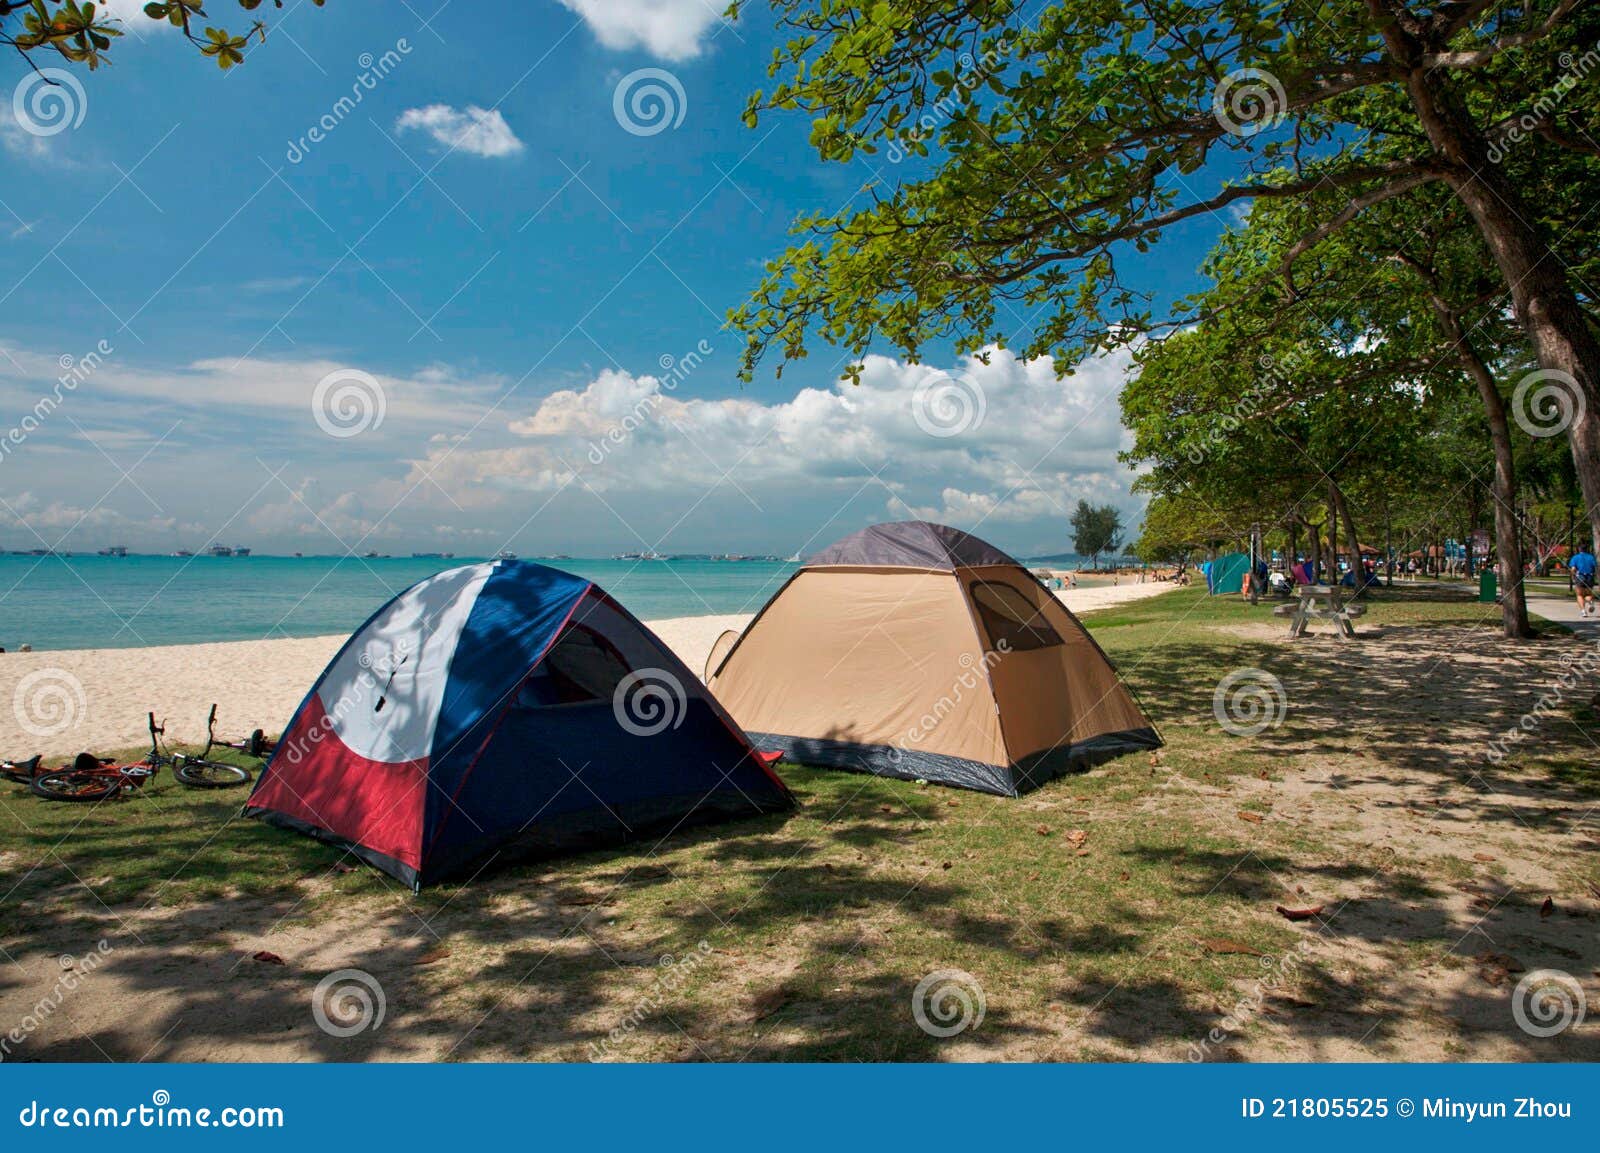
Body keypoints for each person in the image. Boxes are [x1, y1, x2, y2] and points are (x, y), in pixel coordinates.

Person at [1572, 543, 1597, 617]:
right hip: (1590, 577)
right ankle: (1590, 602)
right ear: (1587, 549)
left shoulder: (1575, 557)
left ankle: (1583, 611)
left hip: (1580, 576)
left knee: (1580, 595)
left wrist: (1573, 576)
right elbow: (1595, 567)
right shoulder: (1591, 557)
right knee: (1589, 593)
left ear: (1579, 549)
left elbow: (1573, 569)